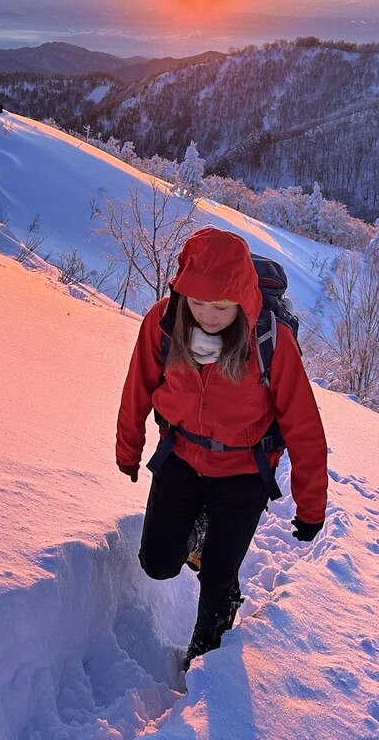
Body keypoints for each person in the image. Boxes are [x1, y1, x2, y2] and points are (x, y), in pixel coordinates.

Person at [115, 226, 328, 665]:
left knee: (217, 579)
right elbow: (137, 387)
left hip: (243, 473)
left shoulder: (270, 340)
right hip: (181, 457)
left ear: (242, 298)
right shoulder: (164, 322)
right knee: (157, 562)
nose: (208, 316)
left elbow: (304, 425)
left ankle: (208, 655)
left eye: (221, 306)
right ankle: (199, 535)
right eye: (197, 302)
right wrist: (128, 448)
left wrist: (311, 508)